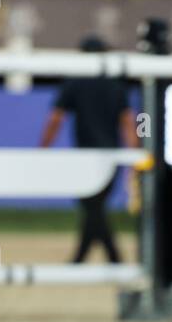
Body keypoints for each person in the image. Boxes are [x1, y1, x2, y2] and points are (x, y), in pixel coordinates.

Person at [39, 36, 137, 263]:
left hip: (85, 156)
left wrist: (43, 148)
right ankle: (100, 259)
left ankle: (96, 259)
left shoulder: (75, 81)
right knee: (95, 208)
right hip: (112, 155)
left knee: (93, 208)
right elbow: (128, 121)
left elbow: (55, 118)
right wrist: (133, 156)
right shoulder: (115, 83)